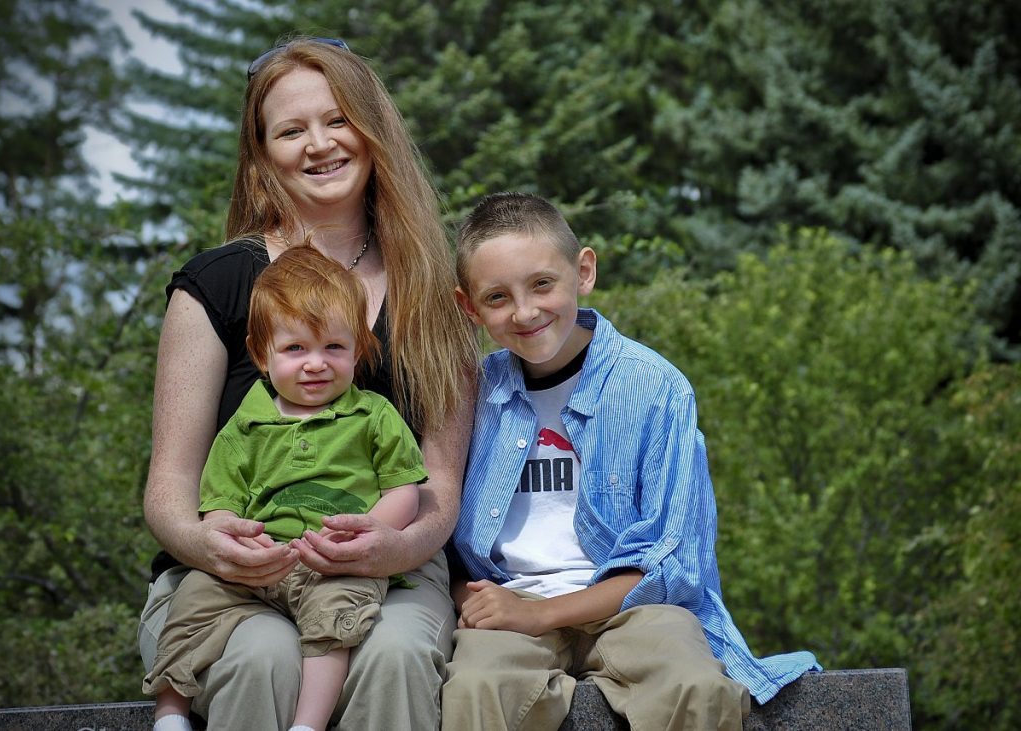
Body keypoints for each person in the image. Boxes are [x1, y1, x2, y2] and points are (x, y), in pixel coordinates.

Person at [138, 37, 477, 730]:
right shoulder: (217, 285)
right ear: (263, 154)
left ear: (371, 128)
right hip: (240, 575)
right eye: (291, 130)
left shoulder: (434, 298)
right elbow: (168, 490)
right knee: (262, 655)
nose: (319, 144)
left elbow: (440, 487)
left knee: (395, 654)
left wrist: (397, 545)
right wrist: (210, 542)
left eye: (337, 120)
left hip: (394, 568)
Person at [443, 192, 820, 730]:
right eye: (497, 297)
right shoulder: (471, 396)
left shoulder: (654, 388)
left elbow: (673, 563)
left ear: (584, 271)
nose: (524, 312)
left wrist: (546, 613)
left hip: (633, 607)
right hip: (508, 605)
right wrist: (484, 602)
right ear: (469, 306)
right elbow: (446, 542)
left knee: (694, 686)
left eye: (542, 284)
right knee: (477, 688)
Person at [143, 245, 428, 731]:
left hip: (332, 561)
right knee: (193, 600)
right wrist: (231, 536)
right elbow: (220, 501)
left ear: (357, 350)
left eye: (333, 348)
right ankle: (170, 713)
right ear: (262, 354)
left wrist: (370, 532)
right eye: (296, 349)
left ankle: (307, 724)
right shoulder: (245, 426)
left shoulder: (374, 415)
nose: (316, 364)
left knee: (336, 622)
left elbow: (405, 488)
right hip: (258, 563)